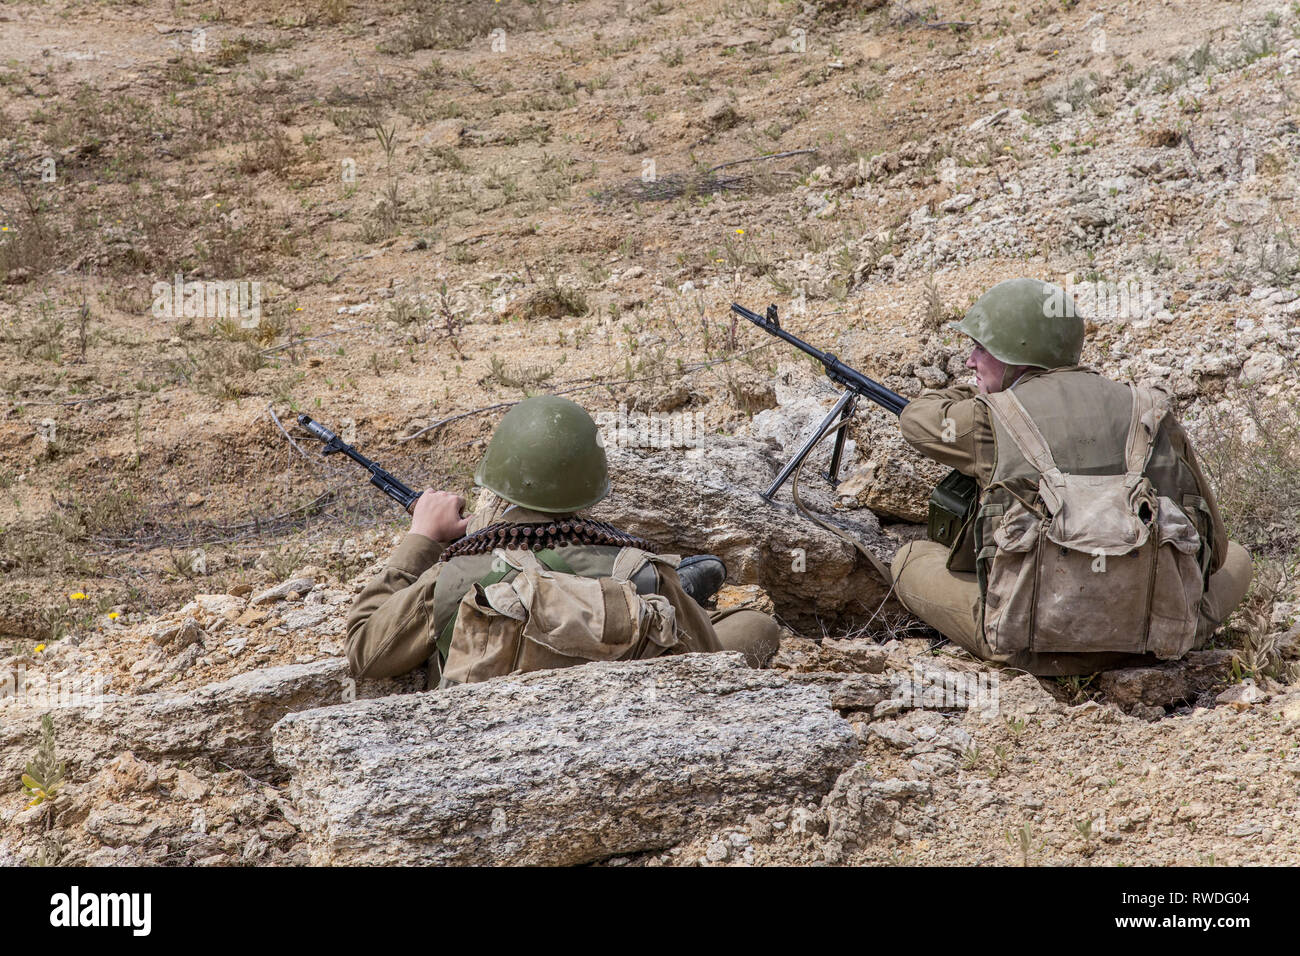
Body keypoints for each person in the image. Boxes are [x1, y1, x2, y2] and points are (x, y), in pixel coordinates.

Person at [890, 277, 1252, 676]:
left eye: (981, 349)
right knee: (1240, 556)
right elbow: (1214, 551)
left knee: (910, 558)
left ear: (1014, 354)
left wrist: (979, 396)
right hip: (1155, 641)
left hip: (1029, 645)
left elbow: (918, 420)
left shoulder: (989, 417)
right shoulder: (1150, 410)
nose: (970, 361)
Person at [346, 395, 782, 685]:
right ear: (592, 485)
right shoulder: (640, 570)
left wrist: (421, 539)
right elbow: (707, 666)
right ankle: (682, 596)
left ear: (495, 485)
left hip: (491, 742)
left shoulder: (454, 577)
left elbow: (364, 652)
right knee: (755, 625)